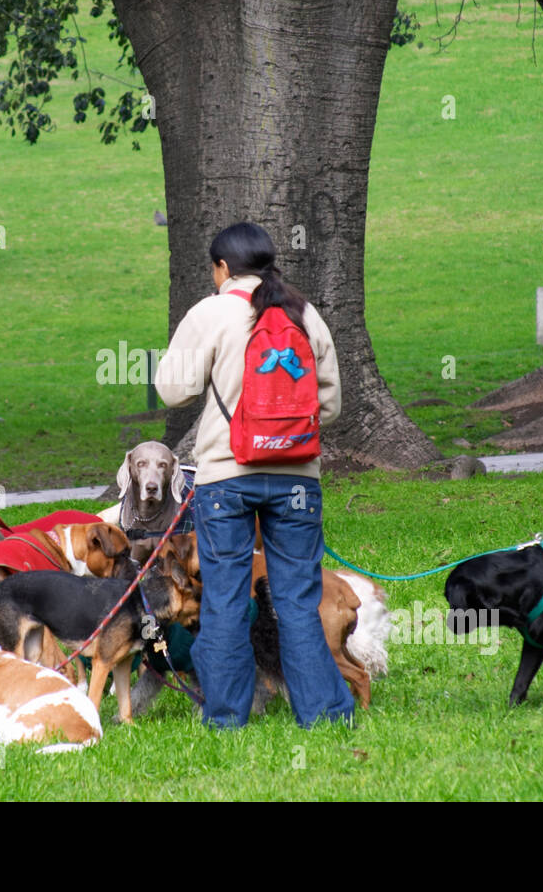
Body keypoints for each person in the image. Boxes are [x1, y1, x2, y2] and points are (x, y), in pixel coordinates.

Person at [154, 222, 354, 729]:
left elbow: (172, 391)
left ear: (222, 268)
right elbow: (328, 406)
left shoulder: (212, 311)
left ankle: (225, 718)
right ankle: (326, 717)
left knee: (223, 600)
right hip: (297, 478)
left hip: (226, 479)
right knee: (297, 601)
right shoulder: (304, 313)